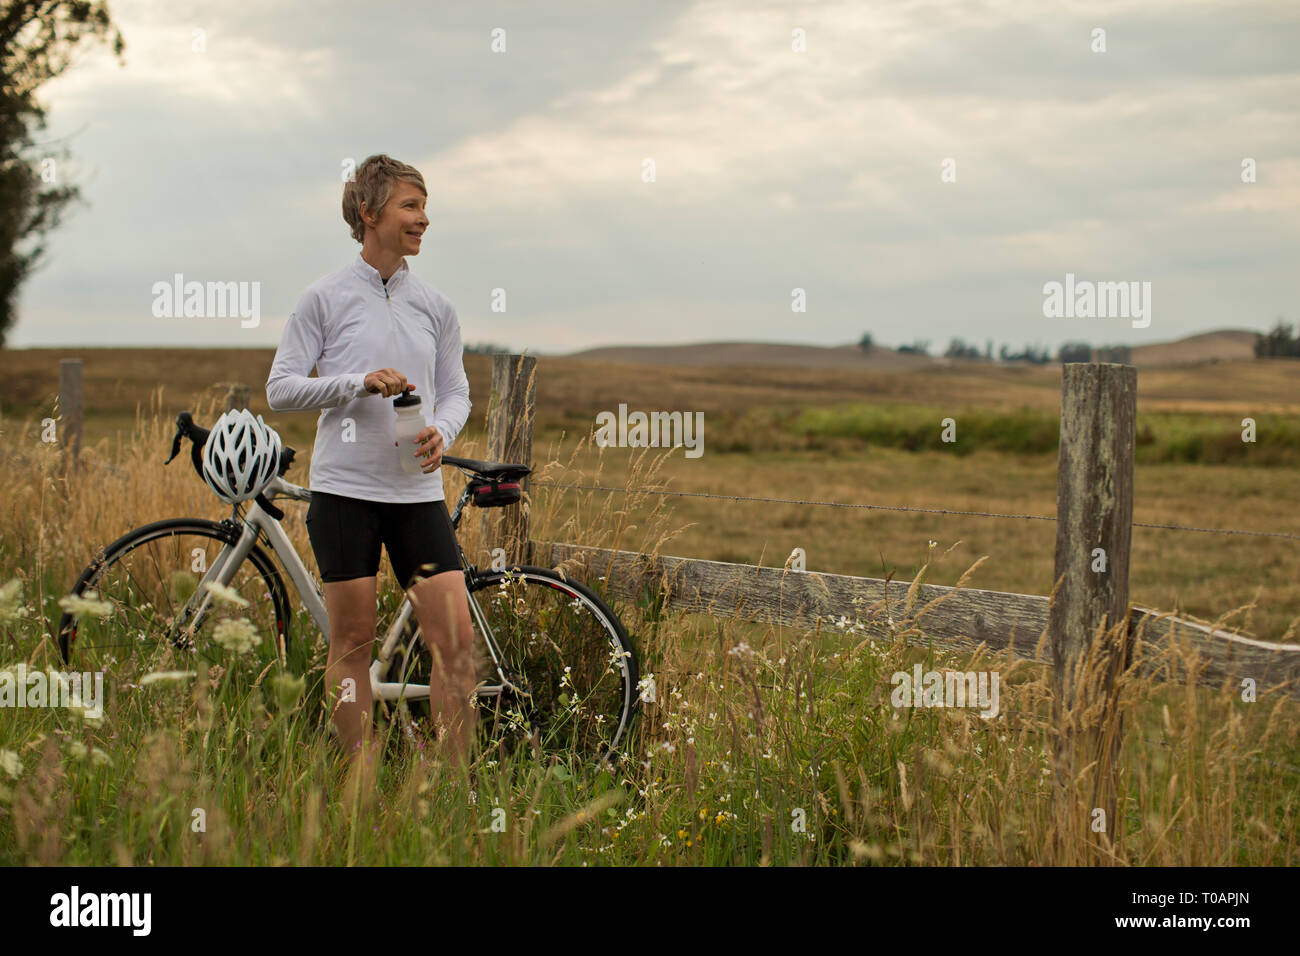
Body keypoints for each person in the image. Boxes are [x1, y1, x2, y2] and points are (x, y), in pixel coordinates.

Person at [266, 154, 475, 772]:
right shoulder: (324, 298)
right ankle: (359, 782)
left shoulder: (436, 306)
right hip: (345, 495)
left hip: (417, 496)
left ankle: (449, 794)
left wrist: (444, 428)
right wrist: (356, 382)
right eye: (411, 206)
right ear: (369, 212)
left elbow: (456, 389)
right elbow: (281, 388)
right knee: (352, 645)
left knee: (455, 647)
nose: (424, 219)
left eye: (425, 206)